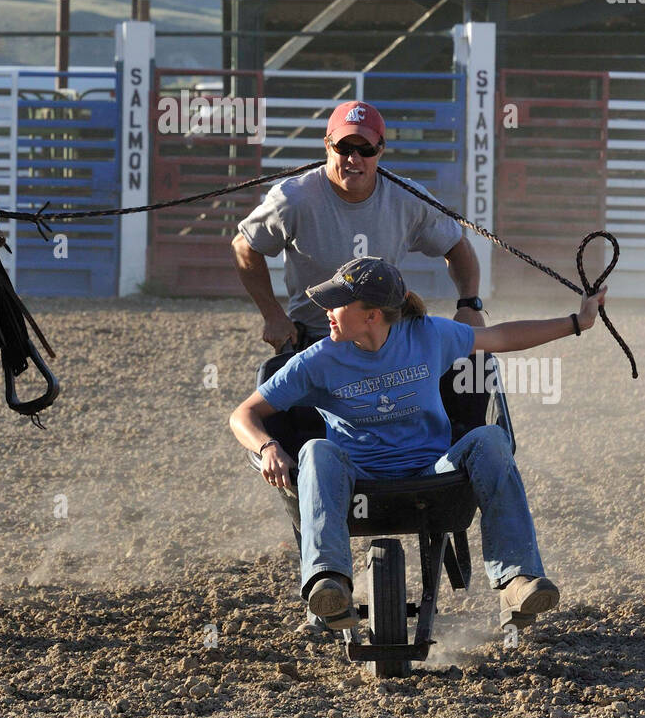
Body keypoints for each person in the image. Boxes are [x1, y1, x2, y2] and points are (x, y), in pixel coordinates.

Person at [230, 256, 607, 631]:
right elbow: (243, 414)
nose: (326, 311)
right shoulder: (317, 361)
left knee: (491, 438)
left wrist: (578, 322)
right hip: (356, 478)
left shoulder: (427, 335)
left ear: (372, 314)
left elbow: (502, 337)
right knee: (315, 450)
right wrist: (268, 447)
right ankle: (330, 583)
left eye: (338, 303)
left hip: (432, 473)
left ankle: (517, 579)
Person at [232, 100, 486, 353]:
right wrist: (273, 315)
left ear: (381, 149)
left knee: (473, 369)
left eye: (365, 149)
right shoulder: (292, 199)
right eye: (344, 147)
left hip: (385, 341)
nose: (354, 159)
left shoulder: (407, 198)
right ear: (327, 146)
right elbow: (244, 246)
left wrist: (469, 305)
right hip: (315, 339)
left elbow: (456, 245)